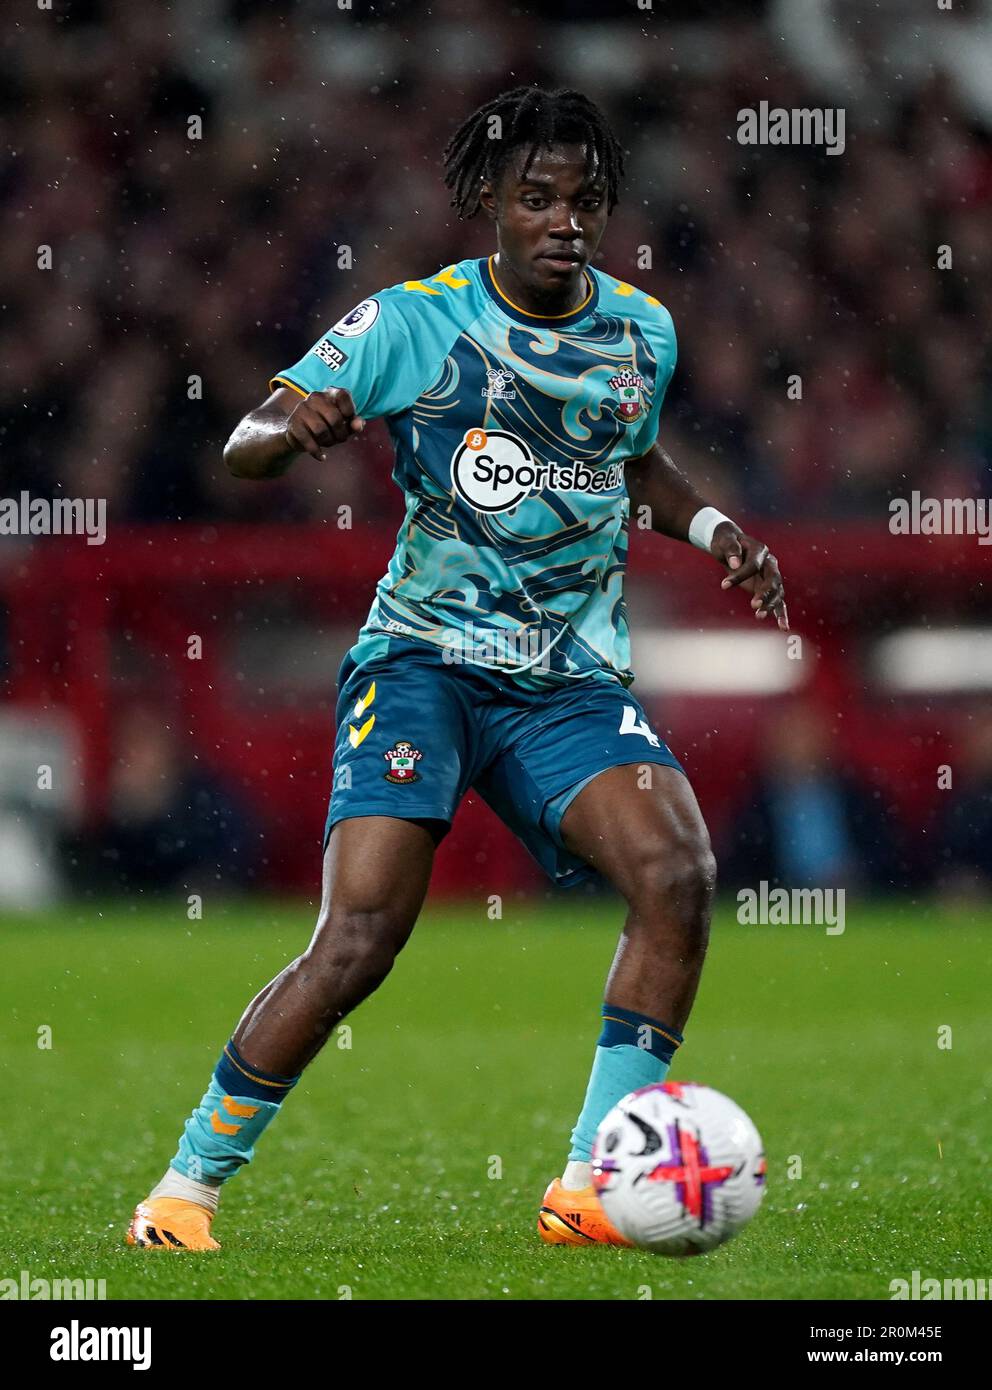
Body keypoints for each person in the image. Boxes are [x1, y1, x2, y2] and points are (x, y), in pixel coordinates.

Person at [127, 86, 787, 1251]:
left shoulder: (642, 329)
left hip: (570, 682)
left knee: (676, 873)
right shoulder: (409, 323)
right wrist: (296, 432)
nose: (564, 219)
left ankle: (587, 1185)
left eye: (583, 199)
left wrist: (714, 528)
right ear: (487, 202)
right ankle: (184, 1188)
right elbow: (242, 443)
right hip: (422, 662)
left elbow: (635, 463)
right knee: (360, 936)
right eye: (536, 198)